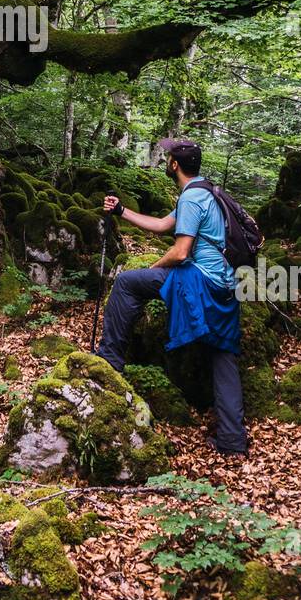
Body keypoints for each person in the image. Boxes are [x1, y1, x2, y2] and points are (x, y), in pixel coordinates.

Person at [95, 137, 248, 456]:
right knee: (223, 355)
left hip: (199, 283)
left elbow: (179, 253)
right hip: (225, 286)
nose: (166, 162)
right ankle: (232, 441)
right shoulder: (205, 191)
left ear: (175, 165)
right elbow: (163, 225)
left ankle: (109, 362)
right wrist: (122, 211)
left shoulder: (192, 198)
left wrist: (151, 267)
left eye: (168, 158)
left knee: (126, 283)